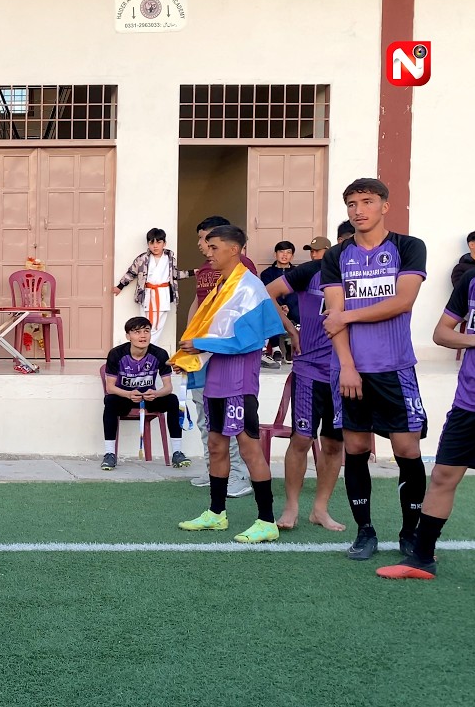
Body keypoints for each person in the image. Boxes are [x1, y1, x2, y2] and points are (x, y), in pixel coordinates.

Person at [321, 178, 427, 562]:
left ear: (385, 205)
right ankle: (365, 531)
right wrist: (347, 366)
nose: (358, 210)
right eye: (351, 203)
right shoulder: (337, 256)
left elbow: (403, 301)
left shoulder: (408, 247)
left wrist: (347, 313)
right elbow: (334, 320)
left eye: (366, 201)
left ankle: (409, 533)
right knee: (357, 448)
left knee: (406, 448)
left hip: (395, 368)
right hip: (350, 370)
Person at [174, 225, 285, 543]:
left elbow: (251, 340)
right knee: (216, 444)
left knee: (249, 447)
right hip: (215, 380)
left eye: (214, 246)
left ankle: (267, 520)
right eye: (207, 247)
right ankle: (216, 513)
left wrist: (202, 343)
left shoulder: (249, 287)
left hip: (238, 382)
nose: (207, 252)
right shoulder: (223, 284)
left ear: (234, 249)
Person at [377, 263, 475, 579]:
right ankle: (421, 559)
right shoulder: (473, 279)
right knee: (442, 476)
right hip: (470, 402)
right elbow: (442, 333)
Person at [265, 236, 345, 531]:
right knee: (301, 439)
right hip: (309, 369)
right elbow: (267, 293)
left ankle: (320, 510)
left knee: (335, 445)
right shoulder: (309, 271)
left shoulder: (362, 277)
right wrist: (289, 329)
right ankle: (291, 508)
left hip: (344, 373)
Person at [187, 216, 252, 497]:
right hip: (200, 349)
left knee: (229, 415)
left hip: (223, 351)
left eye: (207, 240)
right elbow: (197, 302)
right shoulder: (206, 269)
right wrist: (187, 338)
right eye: (202, 241)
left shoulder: (241, 269)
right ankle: (213, 468)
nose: (203, 246)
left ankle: (239, 475)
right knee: (204, 413)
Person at [100, 317, 189, 471]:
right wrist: (128, 394)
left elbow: (168, 388)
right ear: (128, 336)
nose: (143, 336)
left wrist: (156, 393)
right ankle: (109, 454)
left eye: (146, 331)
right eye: (137, 332)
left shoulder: (160, 354)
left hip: (149, 398)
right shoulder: (116, 354)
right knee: (110, 401)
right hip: (125, 398)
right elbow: (110, 388)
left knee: (173, 400)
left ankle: (177, 452)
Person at [113, 228, 186, 345]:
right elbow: (132, 272)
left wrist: (193, 272)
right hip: (146, 294)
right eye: (152, 243)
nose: (155, 246)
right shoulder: (143, 258)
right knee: (145, 324)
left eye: (158, 242)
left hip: (163, 294)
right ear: (148, 244)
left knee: (159, 325)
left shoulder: (170, 259)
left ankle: (151, 349)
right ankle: (145, 348)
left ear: (164, 243)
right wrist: (120, 286)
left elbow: (175, 275)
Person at [260, 240, 299, 362]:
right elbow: (267, 292)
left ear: (292, 256)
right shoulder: (267, 273)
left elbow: (297, 291)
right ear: (275, 254)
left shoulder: (297, 272)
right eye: (281, 251)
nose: (284, 255)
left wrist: (288, 306)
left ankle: (290, 346)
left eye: (288, 252)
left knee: (299, 311)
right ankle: (276, 348)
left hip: (292, 306)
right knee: (271, 311)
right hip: (276, 305)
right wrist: (281, 306)